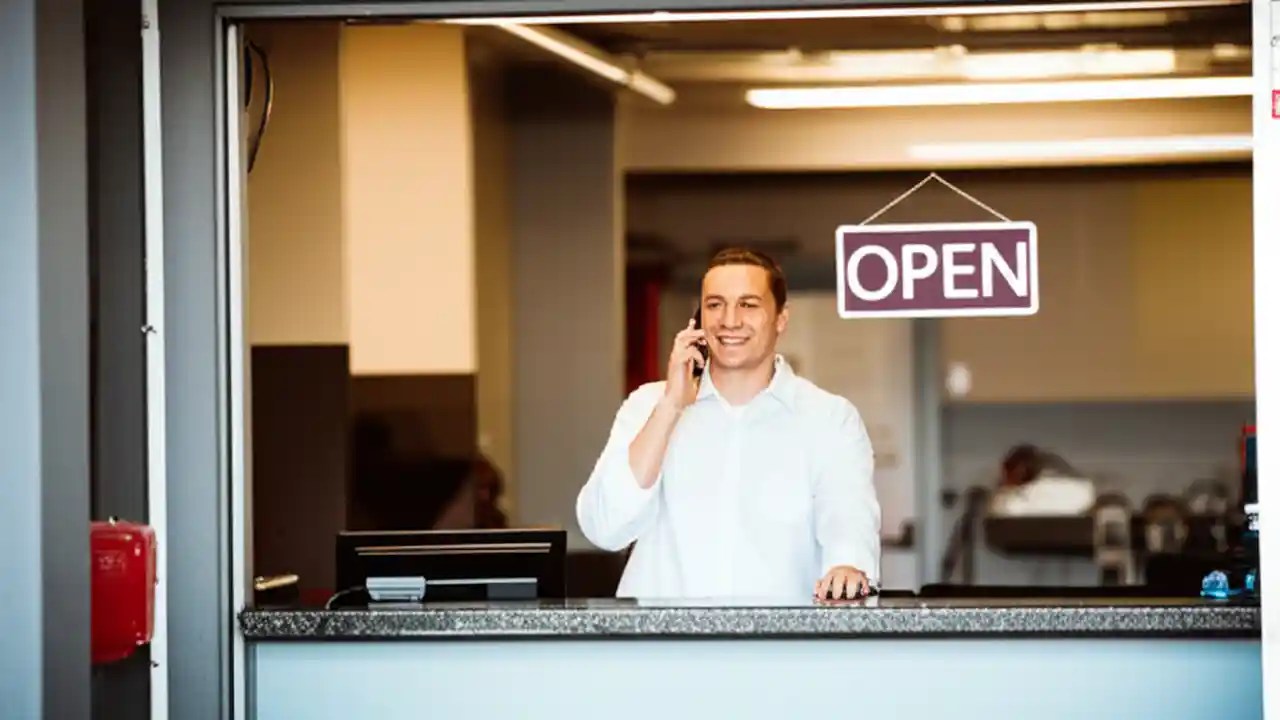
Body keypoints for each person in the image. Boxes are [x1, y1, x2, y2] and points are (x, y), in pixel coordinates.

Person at [576, 248, 880, 600]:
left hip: (778, 648)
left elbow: (848, 518)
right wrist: (671, 406)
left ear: (781, 318)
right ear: (698, 319)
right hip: (660, 647)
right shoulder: (648, 404)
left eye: (748, 305)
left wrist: (846, 565)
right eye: (715, 305)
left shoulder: (828, 418)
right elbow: (604, 527)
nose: (729, 320)